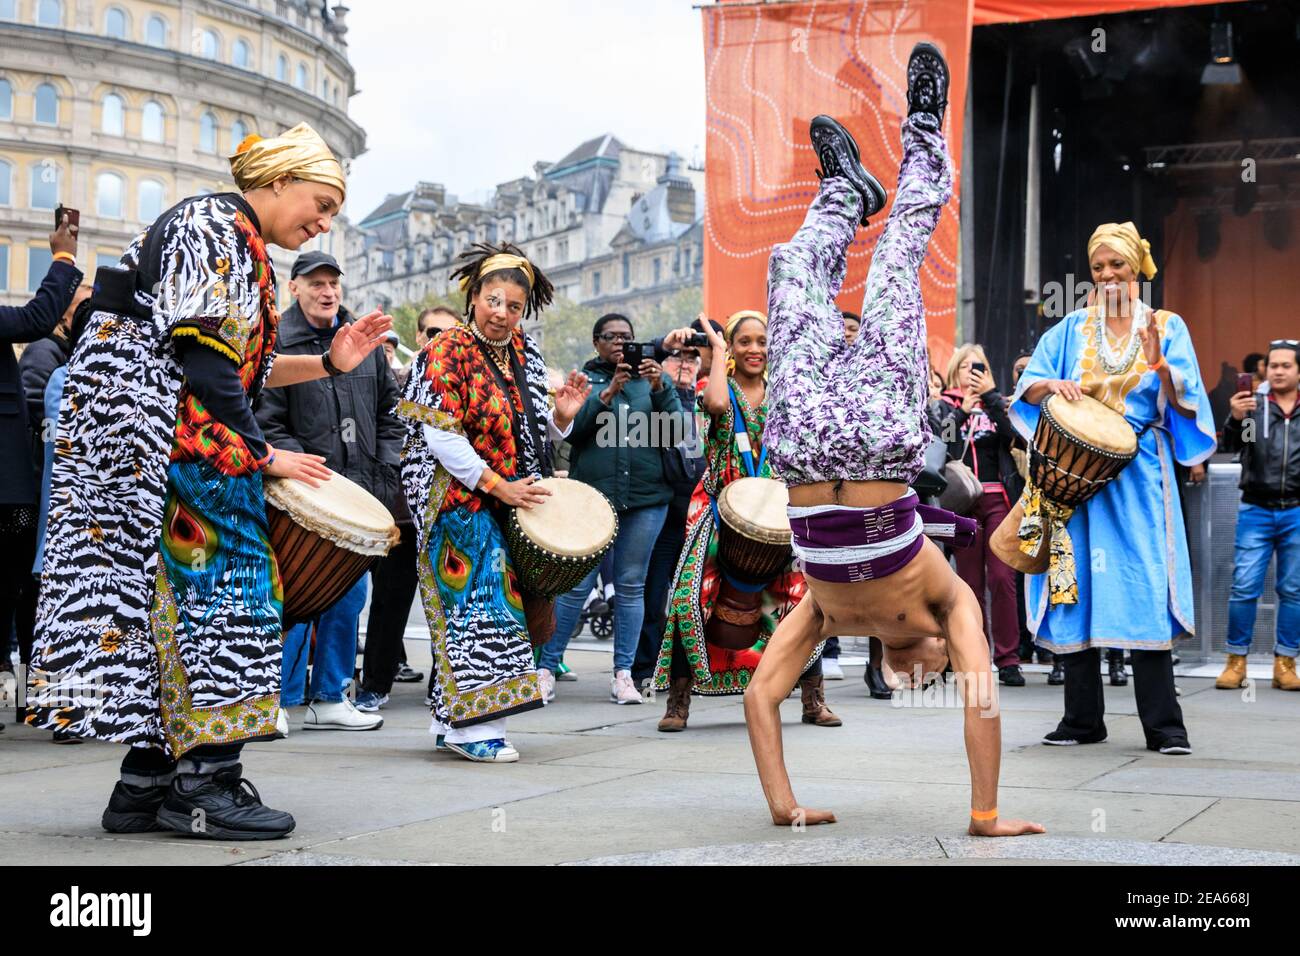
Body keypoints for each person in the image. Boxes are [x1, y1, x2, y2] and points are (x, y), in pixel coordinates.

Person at [25, 123, 392, 839]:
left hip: (149, 453)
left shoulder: (230, 238)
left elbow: (235, 363)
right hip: (172, 451)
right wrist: (262, 456)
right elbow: (205, 365)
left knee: (162, 619)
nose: (322, 222)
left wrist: (331, 363)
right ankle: (206, 787)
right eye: (319, 203)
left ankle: (143, 786)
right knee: (234, 606)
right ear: (278, 180)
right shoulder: (214, 225)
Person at [744, 43, 1043, 837]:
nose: (925, 678)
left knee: (790, 275)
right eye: (934, 677)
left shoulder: (827, 619)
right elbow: (982, 698)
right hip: (880, 436)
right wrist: (984, 813)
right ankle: (923, 126)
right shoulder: (949, 602)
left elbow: (759, 697)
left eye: (910, 682)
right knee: (897, 262)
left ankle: (842, 195)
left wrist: (784, 805)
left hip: (803, 443)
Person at [1011, 221, 1216, 753]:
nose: (1106, 275)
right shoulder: (1070, 329)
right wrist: (1048, 384)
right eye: (1098, 267)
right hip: (1073, 481)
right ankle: (1082, 721)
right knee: (1072, 584)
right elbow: (1026, 386)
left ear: (1135, 268)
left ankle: (1164, 726)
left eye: (1116, 265)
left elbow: (1186, 402)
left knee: (1142, 584)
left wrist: (1158, 365)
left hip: (1140, 476)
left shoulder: (1167, 325)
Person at [398, 242, 589, 762]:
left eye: (513, 306)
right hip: (457, 497)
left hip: (511, 494)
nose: (502, 313)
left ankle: (449, 718)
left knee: (498, 608)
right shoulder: (446, 349)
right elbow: (441, 435)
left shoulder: (524, 350)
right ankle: (476, 728)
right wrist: (495, 485)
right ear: (474, 296)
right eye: (493, 300)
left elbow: (527, 430)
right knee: (484, 608)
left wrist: (563, 418)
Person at [653, 311, 839, 731]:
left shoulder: (783, 395)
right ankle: (678, 702)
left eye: (762, 342)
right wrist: (715, 352)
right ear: (732, 348)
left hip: (778, 513)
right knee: (689, 599)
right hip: (720, 508)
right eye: (744, 342)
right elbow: (716, 406)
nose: (755, 349)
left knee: (802, 601)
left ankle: (813, 699)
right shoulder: (717, 388)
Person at [255, 250, 401, 732]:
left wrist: (384, 463)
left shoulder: (362, 339)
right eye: (315, 283)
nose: (327, 291)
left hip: (356, 492)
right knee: (291, 593)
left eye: (333, 283)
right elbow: (266, 419)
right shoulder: (275, 340)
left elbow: (389, 412)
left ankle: (331, 696)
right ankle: (277, 697)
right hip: (299, 491)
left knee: (348, 597)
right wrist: (299, 465)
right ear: (293, 287)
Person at [536, 313, 683, 705]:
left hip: (646, 498)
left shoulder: (656, 381)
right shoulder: (584, 381)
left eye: (628, 338)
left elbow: (679, 432)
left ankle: (624, 675)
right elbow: (570, 431)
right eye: (611, 337)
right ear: (596, 343)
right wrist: (606, 393)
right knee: (575, 586)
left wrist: (658, 388)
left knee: (631, 585)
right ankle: (546, 667)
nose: (621, 344)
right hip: (592, 498)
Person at [0, 213, 81, 718]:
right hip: (9, 490)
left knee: (9, 580)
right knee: (10, 579)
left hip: (12, 489)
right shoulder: (46, 353)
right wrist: (63, 256)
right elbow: (35, 318)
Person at [931, 344, 1025, 686]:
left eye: (980, 368)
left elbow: (1017, 438)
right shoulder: (945, 407)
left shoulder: (999, 406)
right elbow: (940, 448)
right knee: (968, 584)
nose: (973, 375)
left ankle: (1009, 659)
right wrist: (960, 414)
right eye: (966, 368)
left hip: (998, 498)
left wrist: (993, 399)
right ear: (955, 371)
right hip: (961, 503)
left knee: (1002, 578)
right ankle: (972, 655)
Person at [1218, 340, 1300, 691]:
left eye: (1287, 365)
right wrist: (1237, 419)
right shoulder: (1254, 407)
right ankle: (1237, 662)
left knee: (1294, 590)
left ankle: (1286, 663)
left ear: (1298, 371)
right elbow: (1238, 446)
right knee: (1244, 589)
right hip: (1256, 508)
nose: (1279, 370)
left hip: (1297, 509)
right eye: (1274, 365)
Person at [631, 342, 707, 689]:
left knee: (697, 598)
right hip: (662, 514)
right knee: (653, 595)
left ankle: (695, 671)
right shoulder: (651, 400)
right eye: (679, 357)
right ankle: (645, 669)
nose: (686, 364)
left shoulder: (709, 402)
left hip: (700, 517)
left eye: (693, 358)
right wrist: (663, 346)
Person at [1009, 350, 1063, 685]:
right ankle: (1025, 645)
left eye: (1031, 370)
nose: (1024, 375)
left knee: (1061, 576)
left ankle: (1059, 657)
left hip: (1059, 502)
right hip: (1021, 503)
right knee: (1022, 576)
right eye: (1019, 370)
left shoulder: (1059, 407)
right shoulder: (1013, 409)